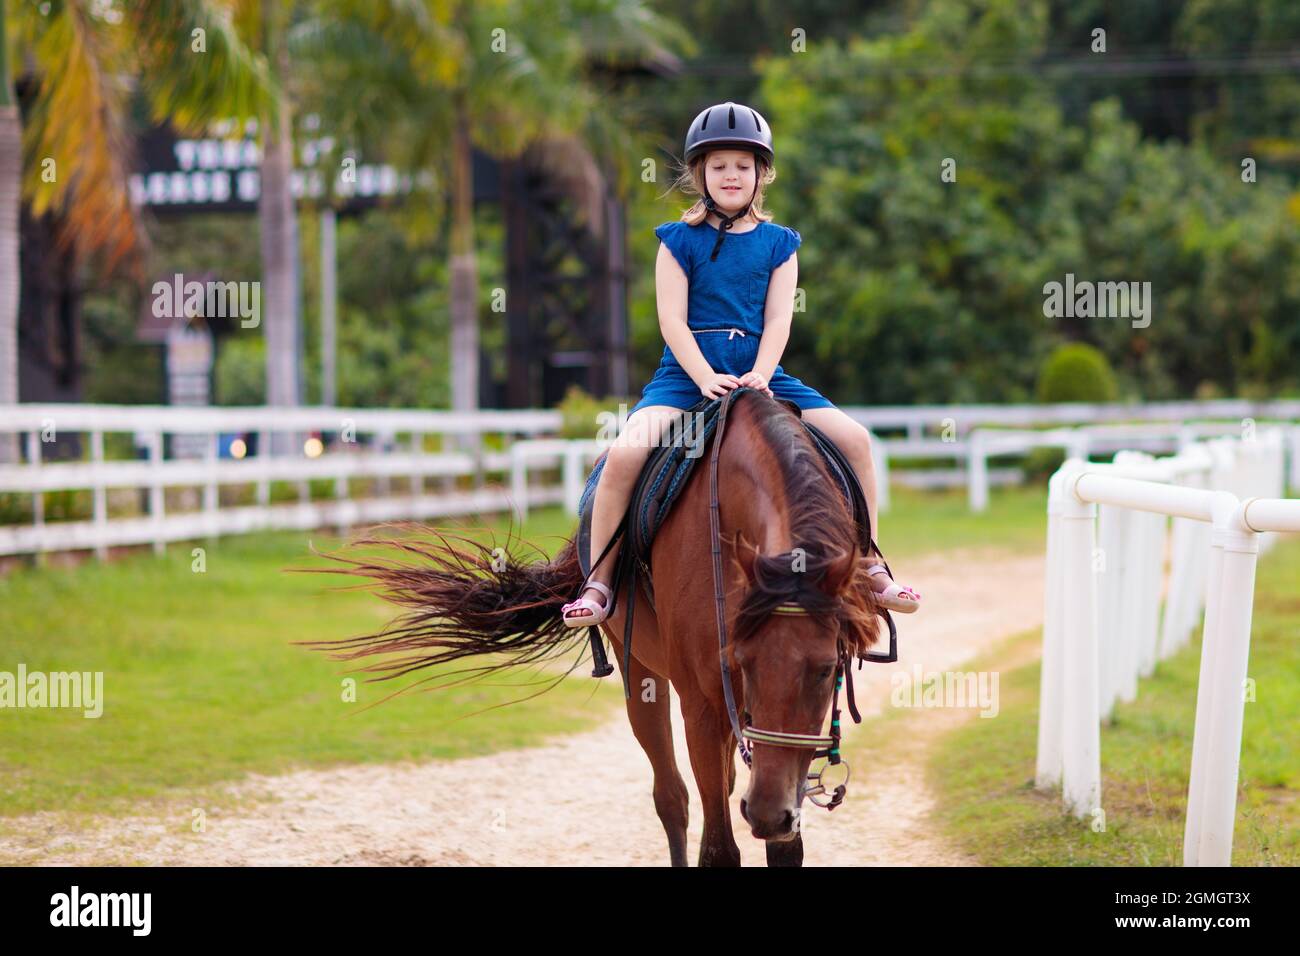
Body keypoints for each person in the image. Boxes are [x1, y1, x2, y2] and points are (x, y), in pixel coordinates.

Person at [562, 101, 921, 626]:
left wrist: (760, 371)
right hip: (686, 379)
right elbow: (672, 323)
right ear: (699, 174)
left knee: (857, 441)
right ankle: (599, 581)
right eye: (719, 166)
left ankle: (867, 561)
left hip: (761, 371)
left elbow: (778, 320)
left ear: (761, 175)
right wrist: (704, 377)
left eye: (743, 166)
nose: (731, 175)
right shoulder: (676, 241)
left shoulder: (780, 245)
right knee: (624, 455)